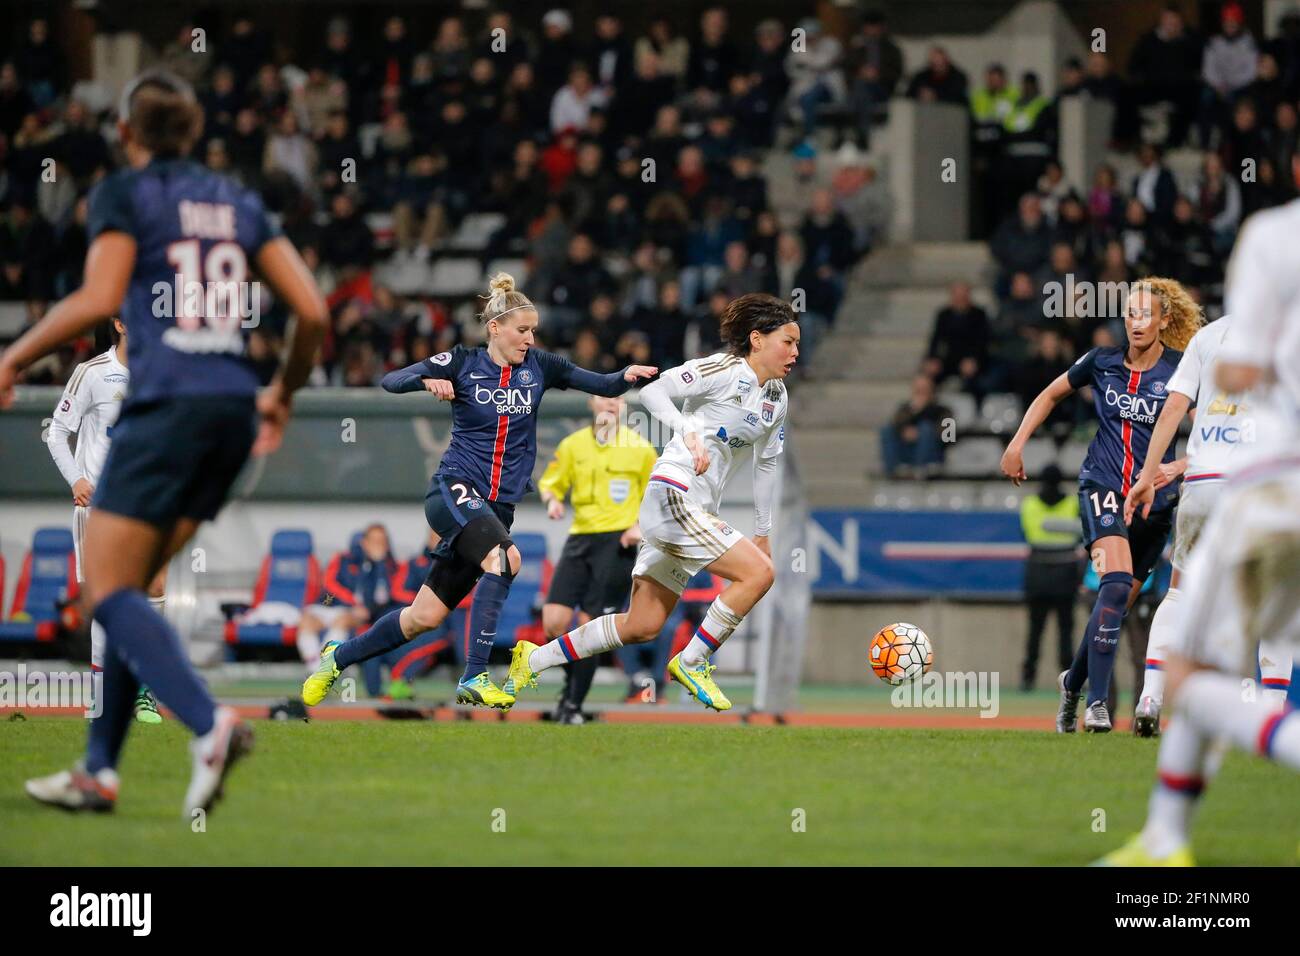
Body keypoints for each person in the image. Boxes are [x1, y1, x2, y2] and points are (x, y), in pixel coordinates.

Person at [6, 69, 328, 815]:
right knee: (134, 587)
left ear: (126, 133)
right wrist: (283, 391)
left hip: (167, 406)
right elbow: (310, 313)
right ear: (196, 133)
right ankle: (98, 771)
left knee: (106, 590)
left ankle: (207, 722)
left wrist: (14, 357)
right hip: (231, 413)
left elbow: (96, 298)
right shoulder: (239, 201)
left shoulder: (124, 193)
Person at [301, 273, 657, 710]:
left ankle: (338, 657)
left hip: (496, 510)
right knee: (507, 558)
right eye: (522, 330)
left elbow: (602, 384)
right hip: (454, 490)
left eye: (533, 331)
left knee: (423, 618)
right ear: (496, 328)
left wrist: (627, 374)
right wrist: (426, 380)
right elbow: (391, 381)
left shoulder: (540, 367)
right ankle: (475, 676)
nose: (530, 338)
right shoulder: (461, 361)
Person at [1097, 198, 1300, 866]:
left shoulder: (1272, 239)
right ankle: (1164, 836)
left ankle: (1164, 823)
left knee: (1189, 654)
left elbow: (1224, 380)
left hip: (1255, 485)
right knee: (1274, 634)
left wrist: (1153, 471)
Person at [502, 293, 798, 712]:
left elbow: (766, 466)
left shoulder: (777, 399)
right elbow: (651, 393)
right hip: (673, 496)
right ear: (756, 339)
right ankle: (693, 661)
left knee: (642, 624)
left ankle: (533, 658)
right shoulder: (720, 369)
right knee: (759, 574)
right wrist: (685, 429)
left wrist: (764, 532)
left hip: (696, 509)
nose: (795, 352)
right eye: (788, 341)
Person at [1001, 278, 1200, 732]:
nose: (1137, 322)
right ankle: (1097, 705)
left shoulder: (1181, 370)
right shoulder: (1102, 361)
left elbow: (1211, 431)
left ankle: (1071, 683)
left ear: (1165, 320)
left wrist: (1180, 465)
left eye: (1147, 314)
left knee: (1115, 606)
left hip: (1156, 503)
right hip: (1103, 485)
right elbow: (1051, 394)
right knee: (1111, 585)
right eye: (1131, 314)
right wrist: (1017, 444)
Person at [1124, 314, 1292, 736]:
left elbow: (1174, 407)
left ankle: (1151, 697)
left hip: (1203, 484)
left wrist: (1146, 477)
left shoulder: (1208, 335)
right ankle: (1269, 710)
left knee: (1179, 592)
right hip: (1258, 485)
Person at [46, 317, 164, 723]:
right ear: (120, 323)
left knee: (155, 587)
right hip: (99, 502)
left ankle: (143, 691)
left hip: (144, 500)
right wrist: (76, 478)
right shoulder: (93, 373)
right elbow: (56, 432)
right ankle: (100, 694)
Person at [537, 393, 657, 723]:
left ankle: (572, 706)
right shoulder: (572, 445)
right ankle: (570, 686)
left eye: (617, 398)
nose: (610, 403)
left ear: (624, 407)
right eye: (603, 397)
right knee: (554, 621)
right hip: (580, 539)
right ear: (591, 403)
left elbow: (657, 496)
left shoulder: (641, 449)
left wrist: (638, 526)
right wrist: (552, 501)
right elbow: (550, 482)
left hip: (617, 542)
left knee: (589, 627)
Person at [1018, 464, 1082, 691]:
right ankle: (1071, 679)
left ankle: (1028, 678)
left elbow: (1030, 533)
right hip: (1065, 570)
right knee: (1066, 630)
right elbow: (1079, 533)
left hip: (1038, 569)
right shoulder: (1073, 503)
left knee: (1035, 630)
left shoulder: (1029, 505)